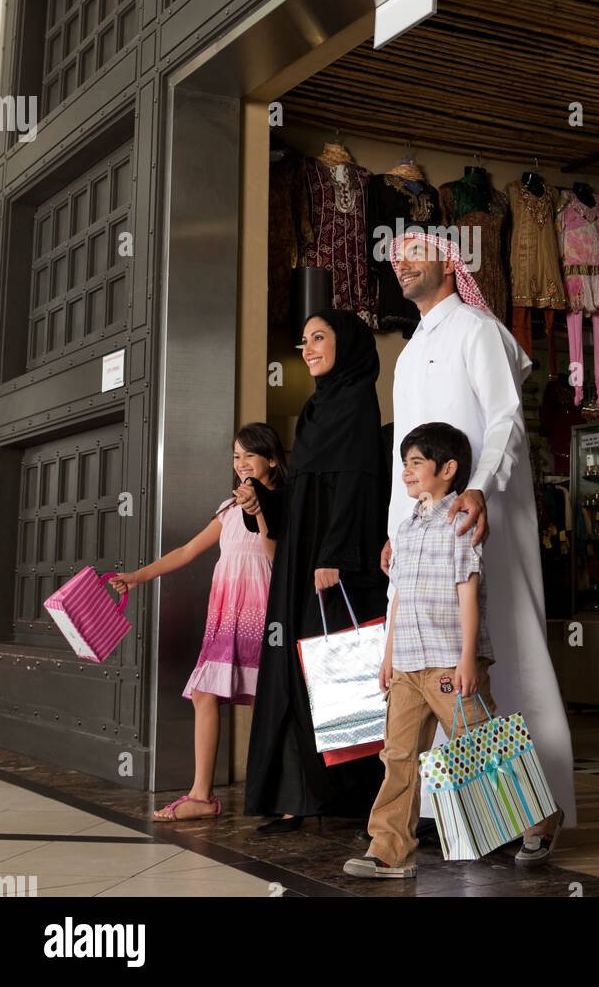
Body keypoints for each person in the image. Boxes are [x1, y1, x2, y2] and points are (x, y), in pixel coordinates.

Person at [383, 230, 575, 849]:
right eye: (397, 256)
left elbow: (504, 418)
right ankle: (468, 825)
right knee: (445, 681)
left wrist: (479, 488)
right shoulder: (410, 353)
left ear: (449, 262)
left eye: (417, 252)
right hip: (425, 539)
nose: (403, 263)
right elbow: (402, 461)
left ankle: (541, 814)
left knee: (501, 657)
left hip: (480, 517)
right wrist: (398, 531)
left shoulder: (476, 329)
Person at [344, 421, 561, 878]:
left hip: (449, 660)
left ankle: (541, 819)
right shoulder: (405, 529)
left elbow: (468, 591)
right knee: (398, 757)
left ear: (448, 469)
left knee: (482, 749)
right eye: (403, 463)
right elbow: (398, 593)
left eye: (416, 463)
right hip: (405, 663)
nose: (406, 471)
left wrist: (467, 658)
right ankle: (389, 850)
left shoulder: (460, 524)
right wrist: (387, 656)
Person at [241, 307, 390, 832]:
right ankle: (290, 796)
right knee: (288, 670)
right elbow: (301, 497)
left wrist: (333, 556)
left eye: (319, 338)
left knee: (327, 672)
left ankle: (341, 796)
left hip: (331, 567)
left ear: (344, 344)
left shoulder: (355, 403)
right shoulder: (312, 411)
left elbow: (354, 486)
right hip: (299, 563)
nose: (307, 349)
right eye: (303, 340)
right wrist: (260, 500)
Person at [112, 423, 281, 820]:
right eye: (236, 456)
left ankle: (282, 792)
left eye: (249, 457)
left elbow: (276, 556)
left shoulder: (283, 502)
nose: (241, 464)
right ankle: (201, 796)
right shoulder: (228, 508)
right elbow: (188, 550)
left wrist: (262, 509)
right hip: (225, 614)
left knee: (269, 702)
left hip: (263, 613)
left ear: (271, 460)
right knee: (206, 694)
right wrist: (138, 577)